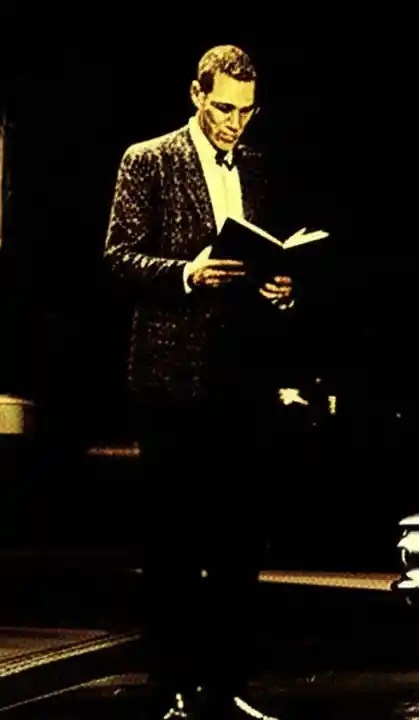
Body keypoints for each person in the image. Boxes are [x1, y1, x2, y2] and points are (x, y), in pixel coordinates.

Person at [103, 44, 315, 720]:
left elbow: (264, 254)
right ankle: (170, 689)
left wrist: (281, 290)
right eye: (224, 108)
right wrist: (187, 274)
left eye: (246, 112)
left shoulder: (256, 164)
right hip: (169, 379)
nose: (234, 123)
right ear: (196, 94)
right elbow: (117, 257)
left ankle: (225, 687)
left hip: (240, 379)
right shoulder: (148, 159)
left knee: (237, 544)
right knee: (171, 543)